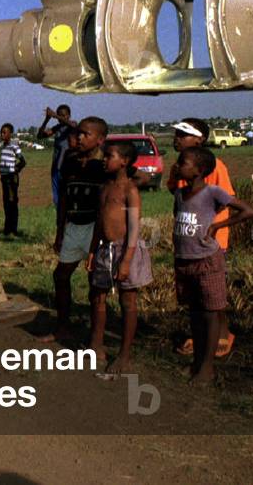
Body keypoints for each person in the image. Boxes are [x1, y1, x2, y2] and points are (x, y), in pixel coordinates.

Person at [172, 146, 253, 384]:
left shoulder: (212, 193)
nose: (177, 166)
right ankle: (197, 363)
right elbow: (177, 221)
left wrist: (218, 226)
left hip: (207, 261)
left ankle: (207, 368)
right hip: (185, 261)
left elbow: (248, 211)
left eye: (183, 162)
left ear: (199, 170)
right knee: (195, 314)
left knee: (209, 314)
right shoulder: (179, 195)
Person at [167, 118, 237, 358]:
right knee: (196, 294)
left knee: (213, 295)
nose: (177, 138)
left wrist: (214, 228)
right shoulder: (180, 166)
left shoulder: (216, 166)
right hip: (190, 239)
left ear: (200, 140)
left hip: (211, 240)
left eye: (183, 134)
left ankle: (223, 335)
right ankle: (200, 336)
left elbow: (226, 199)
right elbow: (176, 192)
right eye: (177, 133)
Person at [86, 141, 152, 375]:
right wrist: (93, 250)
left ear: (124, 161)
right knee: (98, 296)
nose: (104, 160)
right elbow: (98, 222)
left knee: (127, 300)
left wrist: (126, 261)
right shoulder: (104, 188)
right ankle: (96, 345)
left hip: (126, 250)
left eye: (109, 156)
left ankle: (124, 355)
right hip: (105, 249)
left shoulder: (129, 190)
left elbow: (134, 228)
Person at [43, 116, 109, 342]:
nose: (79, 137)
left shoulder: (104, 165)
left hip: (95, 228)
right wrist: (60, 230)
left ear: (100, 140)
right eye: (78, 133)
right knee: (61, 275)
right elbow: (63, 198)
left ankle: (95, 338)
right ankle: (63, 327)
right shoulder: (70, 160)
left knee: (95, 283)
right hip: (73, 226)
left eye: (85, 134)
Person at [37, 104, 77, 209]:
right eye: (60, 115)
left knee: (67, 196)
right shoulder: (57, 128)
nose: (61, 118)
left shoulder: (72, 126)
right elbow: (40, 136)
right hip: (56, 167)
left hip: (67, 168)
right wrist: (47, 119)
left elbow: (73, 125)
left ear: (69, 115)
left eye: (64, 115)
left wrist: (55, 115)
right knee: (57, 199)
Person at [0, 123, 26, 236]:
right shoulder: (3, 147)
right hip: (4, 179)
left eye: (4, 132)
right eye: (1, 132)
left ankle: (13, 229)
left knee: (12, 202)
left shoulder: (14, 146)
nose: (2, 134)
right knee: (6, 203)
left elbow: (23, 161)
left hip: (11, 179)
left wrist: (15, 170)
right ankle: (7, 228)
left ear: (10, 134)